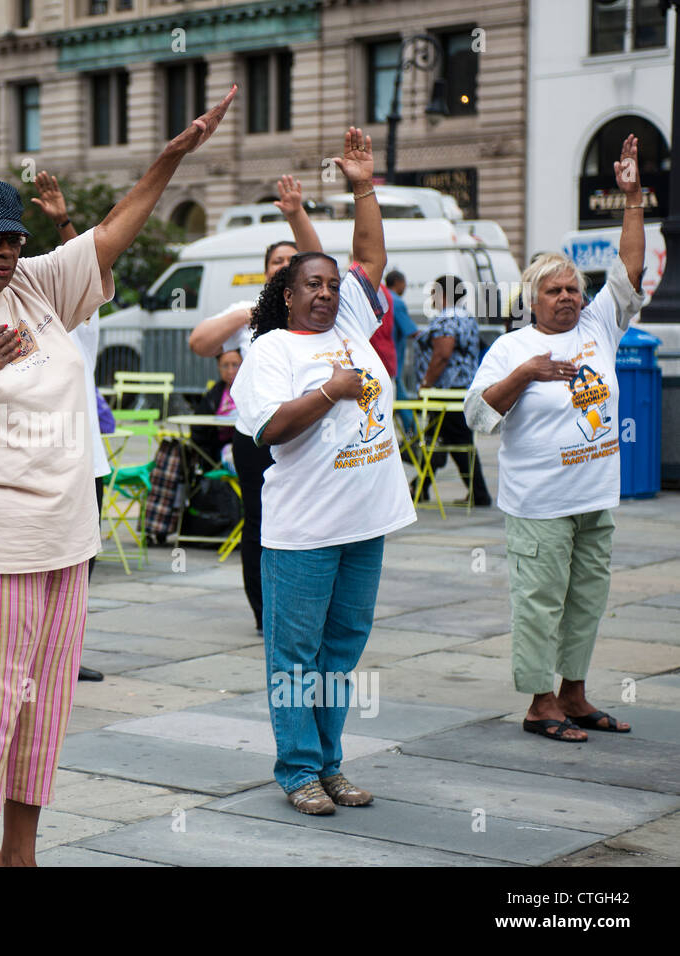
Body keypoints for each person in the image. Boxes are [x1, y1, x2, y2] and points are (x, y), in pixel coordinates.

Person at [0, 86, 237, 866]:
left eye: (13, 236)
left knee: (45, 711)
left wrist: (173, 156)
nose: (6, 251)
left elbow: (114, 231)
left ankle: (25, 853)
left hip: (66, 538)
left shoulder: (37, 287)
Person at [235, 127, 415, 816]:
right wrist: (329, 393)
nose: (326, 293)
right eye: (312, 284)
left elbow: (369, 253)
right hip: (301, 531)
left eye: (332, 285)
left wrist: (363, 185)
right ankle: (297, 770)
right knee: (295, 658)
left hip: (363, 522)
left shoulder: (349, 324)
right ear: (286, 293)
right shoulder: (271, 351)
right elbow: (270, 429)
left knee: (340, 654)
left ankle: (330, 762)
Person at [464, 134, 644, 743]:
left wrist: (631, 199)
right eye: (554, 290)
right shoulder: (510, 348)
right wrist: (524, 375)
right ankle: (541, 704)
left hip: (595, 494)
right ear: (531, 299)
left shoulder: (600, 327)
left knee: (586, 601)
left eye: (573, 289)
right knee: (540, 602)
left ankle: (574, 694)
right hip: (539, 503)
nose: (567, 297)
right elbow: (477, 415)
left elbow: (631, 270)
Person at [188, 175, 319, 634]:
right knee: (259, 521)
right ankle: (265, 614)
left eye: (291, 260)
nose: (284, 266)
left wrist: (295, 213)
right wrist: (250, 313)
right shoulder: (250, 309)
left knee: (306, 519)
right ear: (266, 271)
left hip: (308, 435)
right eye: (276, 262)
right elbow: (200, 343)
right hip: (255, 435)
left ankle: (303, 606)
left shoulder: (319, 309)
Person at [31, 170, 106, 683]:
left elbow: (86, 264)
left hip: (87, 465)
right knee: (38, 567)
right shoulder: (22, 330)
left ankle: (65, 654)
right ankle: (33, 655)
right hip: (39, 467)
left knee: (80, 568)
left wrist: (63, 222)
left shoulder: (81, 326)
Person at [415, 274, 492, 507]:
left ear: (442, 294)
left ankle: (479, 494)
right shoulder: (467, 317)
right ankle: (420, 488)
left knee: (450, 442)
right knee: (441, 440)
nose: (432, 300)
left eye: (433, 294)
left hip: (445, 390)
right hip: (463, 388)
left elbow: (442, 354)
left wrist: (426, 382)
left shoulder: (446, 319)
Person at [190, 349, 241, 468]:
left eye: (235, 365)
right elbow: (198, 424)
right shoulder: (213, 395)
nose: (230, 370)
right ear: (218, 367)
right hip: (218, 447)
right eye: (225, 366)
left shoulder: (252, 391)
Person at [386, 269, 418, 433]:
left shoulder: (382, 297)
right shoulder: (396, 302)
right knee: (401, 398)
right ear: (398, 282)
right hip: (393, 361)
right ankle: (412, 434)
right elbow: (411, 330)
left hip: (384, 359)